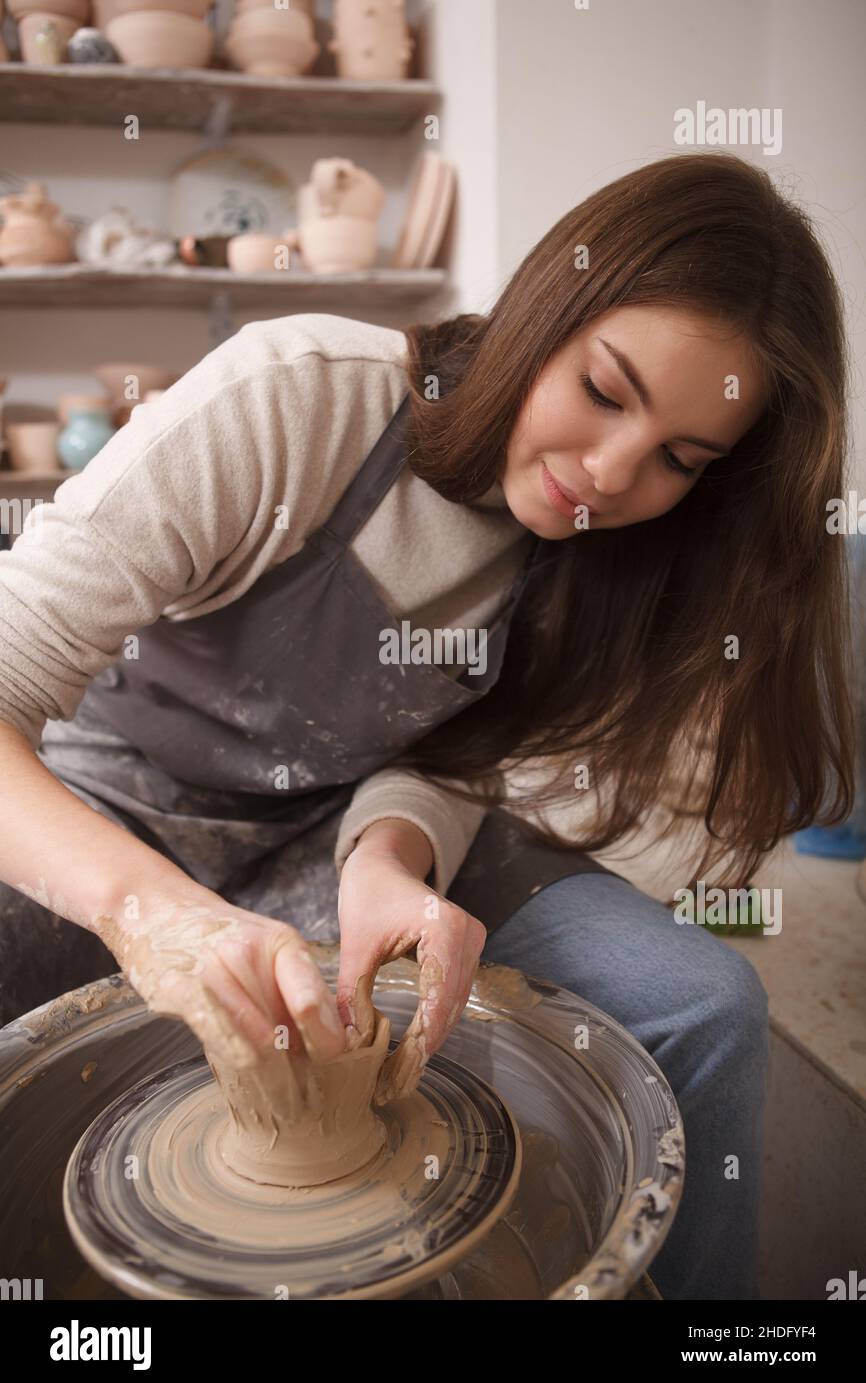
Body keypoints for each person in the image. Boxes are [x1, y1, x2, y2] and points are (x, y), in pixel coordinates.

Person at [0, 152, 854, 1300]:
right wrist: (150, 913)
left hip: (341, 823)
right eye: (604, 392)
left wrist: (389, 866)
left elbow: (457, 759)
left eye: (677, 460)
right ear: (545, 310)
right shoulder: (296, 398)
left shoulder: (610, 560)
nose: (606, 476)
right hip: (115, 809)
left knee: (700, 1002)